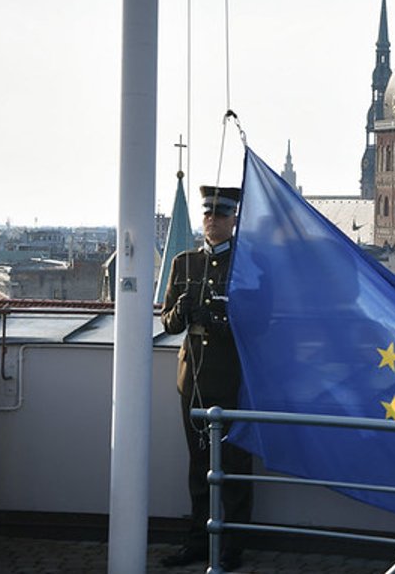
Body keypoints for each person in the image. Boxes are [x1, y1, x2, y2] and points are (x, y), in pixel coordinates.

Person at [160, 185, 253, 569]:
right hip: (193, 378)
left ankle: (233, 545)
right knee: (198, 466)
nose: (212, 220)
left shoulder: (248, 264)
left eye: (221, 214)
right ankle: (197, 540)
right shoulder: (184, 263)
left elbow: (258, 326)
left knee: (234, 464)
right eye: (208, 214)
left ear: (234, 220)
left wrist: (220, 319)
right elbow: (167, 322)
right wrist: (182, 311)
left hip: (233, 377)